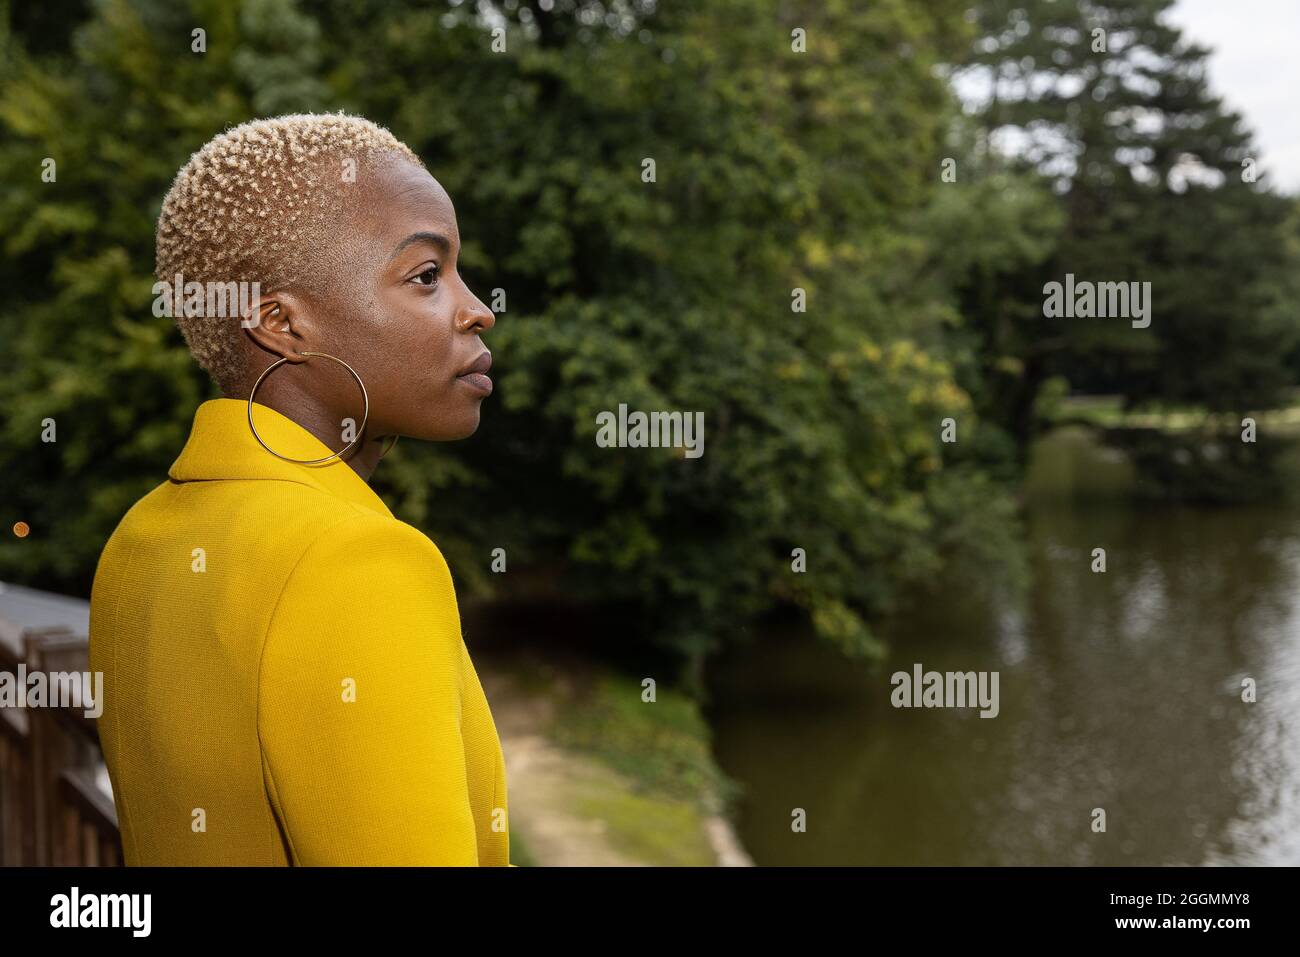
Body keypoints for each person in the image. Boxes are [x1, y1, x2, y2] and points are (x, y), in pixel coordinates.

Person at [87, 113, 511, 865]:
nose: (477, 308)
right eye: (425, 275)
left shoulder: (138, 541)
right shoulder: (355, 562)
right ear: (282, 323)